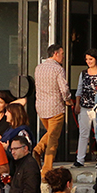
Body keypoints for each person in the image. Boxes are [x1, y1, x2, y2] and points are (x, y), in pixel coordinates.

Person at [33, 44, 73, 175]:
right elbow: (64, 88)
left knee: (51, 133)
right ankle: (47, 169)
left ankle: (38, 150)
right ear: (55, 54)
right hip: (55, 107)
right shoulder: (58, 69)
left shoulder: (39, 68)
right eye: (62, 53)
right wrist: (68, 99)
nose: (63, 56)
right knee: (53, 140)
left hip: (41, 107)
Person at [74, 49, 97, 167]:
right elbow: (79, 89)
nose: (88, 61)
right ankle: (80, 159)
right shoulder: (83, 73)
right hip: (84, 106)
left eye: (91, 59)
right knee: (83, 133)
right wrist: (77, 103)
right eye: (87, 59)